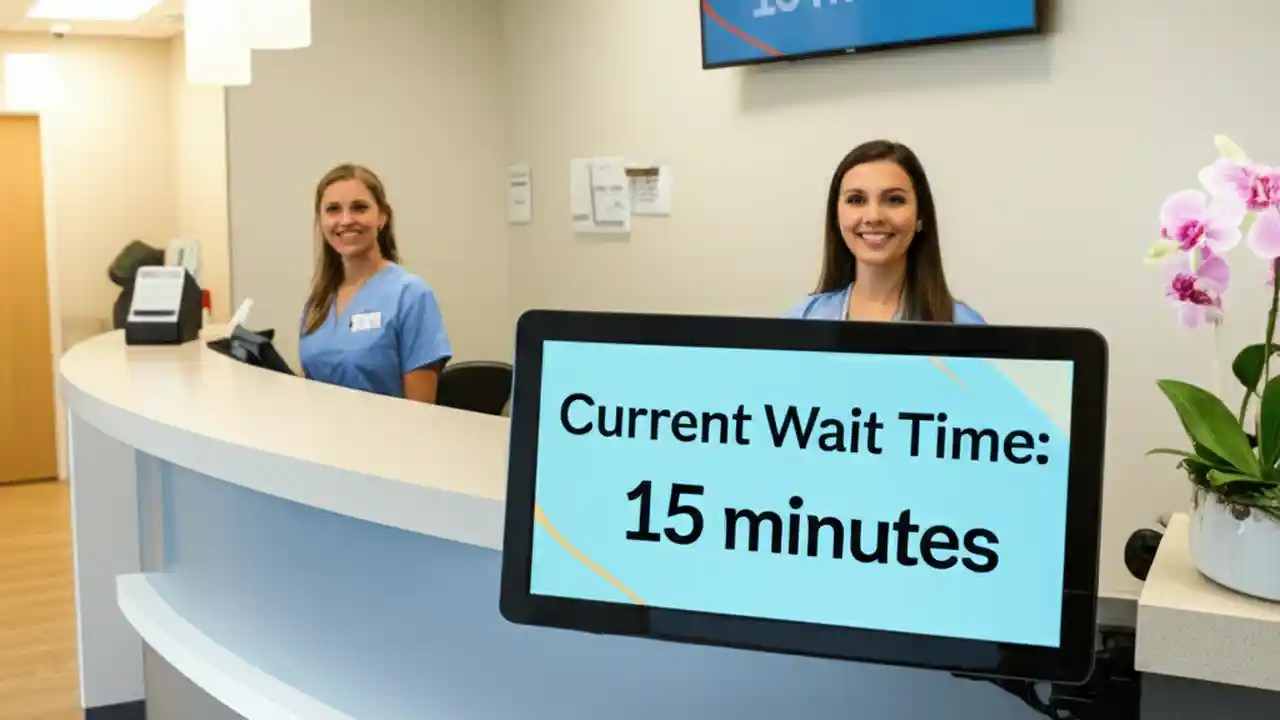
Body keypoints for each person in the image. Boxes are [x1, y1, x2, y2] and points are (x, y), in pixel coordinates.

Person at [299, 163, 452, 402]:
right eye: (333, 210)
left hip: (388, 428)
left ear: (382, 216)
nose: (346, 220)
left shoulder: (411, 296)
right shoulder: (319, 302)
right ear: (321, 221)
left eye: (359, 208)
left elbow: (420, 411)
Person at [786, 140, 984, 324]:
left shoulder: (964, 326)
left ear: (920, 215)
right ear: (836, 217)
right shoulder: (802, 319)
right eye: (856, 200)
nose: (873, 217)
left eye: (894, 200)